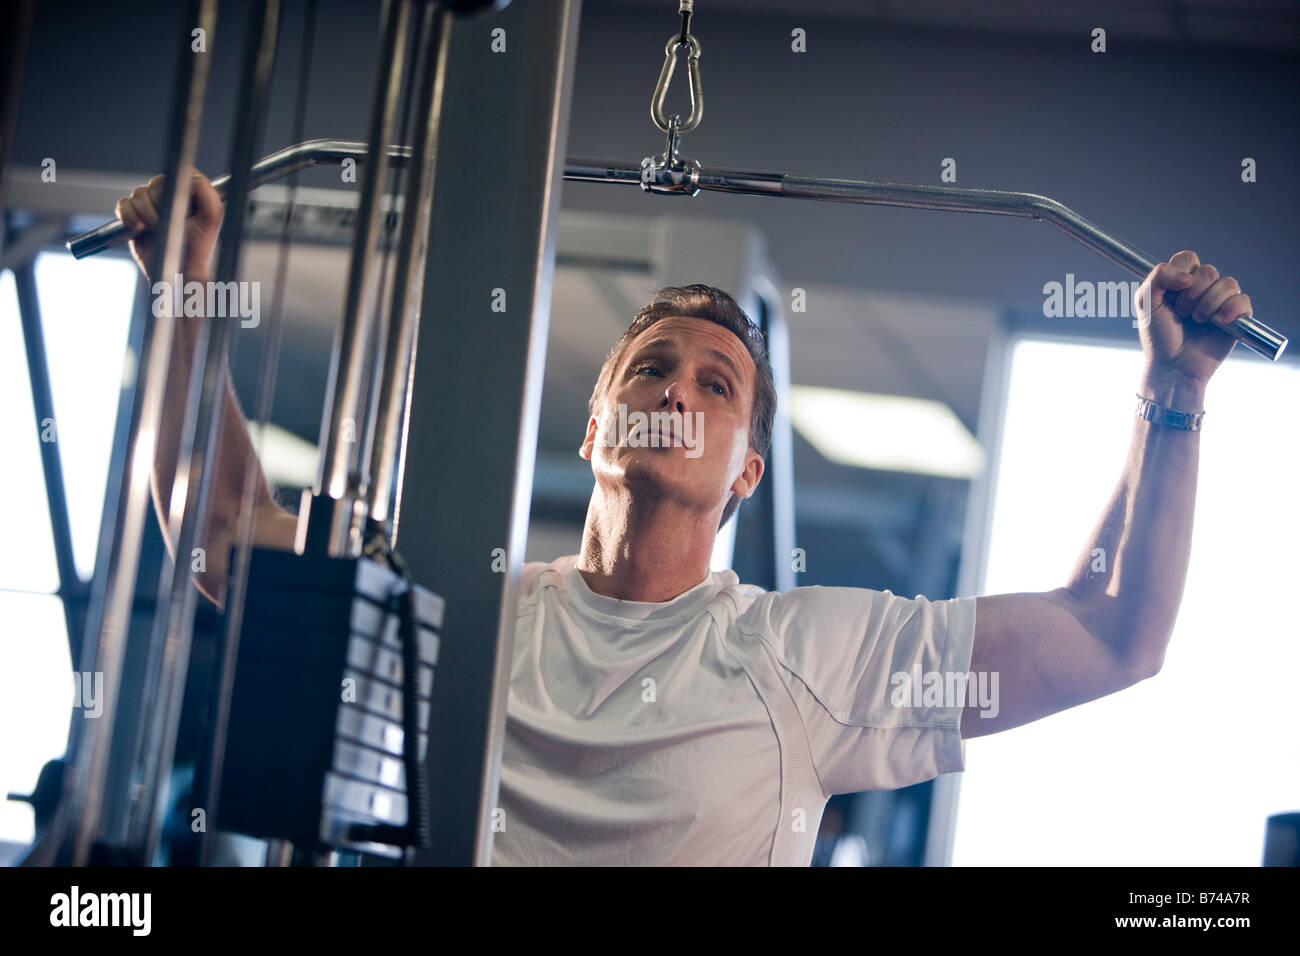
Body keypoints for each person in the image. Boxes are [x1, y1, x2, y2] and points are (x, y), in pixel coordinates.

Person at [116, 169, 1252, 866]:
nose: (676, 392)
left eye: (716, 385)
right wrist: (181, 283)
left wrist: (1174, 393)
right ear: (595, 429)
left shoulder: (808, 656)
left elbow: (1110, 632)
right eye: (651, 370)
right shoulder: (468, 617)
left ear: (746, 473)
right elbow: (222, 534)